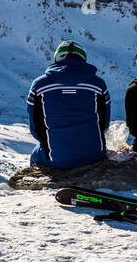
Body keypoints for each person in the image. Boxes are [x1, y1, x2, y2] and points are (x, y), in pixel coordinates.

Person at [26, 40, 110, 169]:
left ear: (57, 58)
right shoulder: (98, 84)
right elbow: (104, 124)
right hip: (95, 156)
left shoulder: (39, 85)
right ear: (83, 58)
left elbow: (35, 128)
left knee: (35, 156)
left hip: (58, 159)